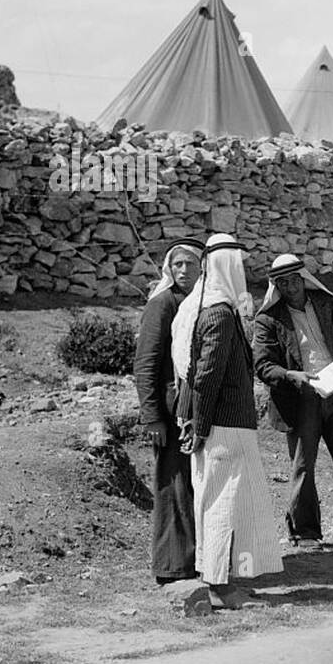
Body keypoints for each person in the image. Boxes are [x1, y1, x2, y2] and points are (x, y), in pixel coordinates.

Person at [172, 233, 284, 610]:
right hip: (223, 427)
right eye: (240, 265)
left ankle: (226, 580)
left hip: (227, 426)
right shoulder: (218, 314)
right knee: (222, 505)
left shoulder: (216, 308)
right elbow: (205, 378)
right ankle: (219, 587)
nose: (246, 272)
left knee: (232, 505)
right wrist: (200, 427)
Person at [252, 254, 333, 551]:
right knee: (303, 464)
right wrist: (292, 375)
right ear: (276, 285)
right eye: (283, 283)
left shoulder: (325, 303)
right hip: (300, 397)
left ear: (303, 279)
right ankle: (304, 533)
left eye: (294, 280)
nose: (290, 287)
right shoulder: (268, 319)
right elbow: (263, 365)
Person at [135, 237, 204, 584]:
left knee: (195, 486)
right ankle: (171, 566)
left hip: (200, 411)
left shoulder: (203, 302)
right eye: (177, 264)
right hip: (171, 412)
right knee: (172, 486)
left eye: (190, 264)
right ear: (168, 269)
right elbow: (145, 364)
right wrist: (152, 417)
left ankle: (197, 559)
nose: (183, 270)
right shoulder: (162, 304)